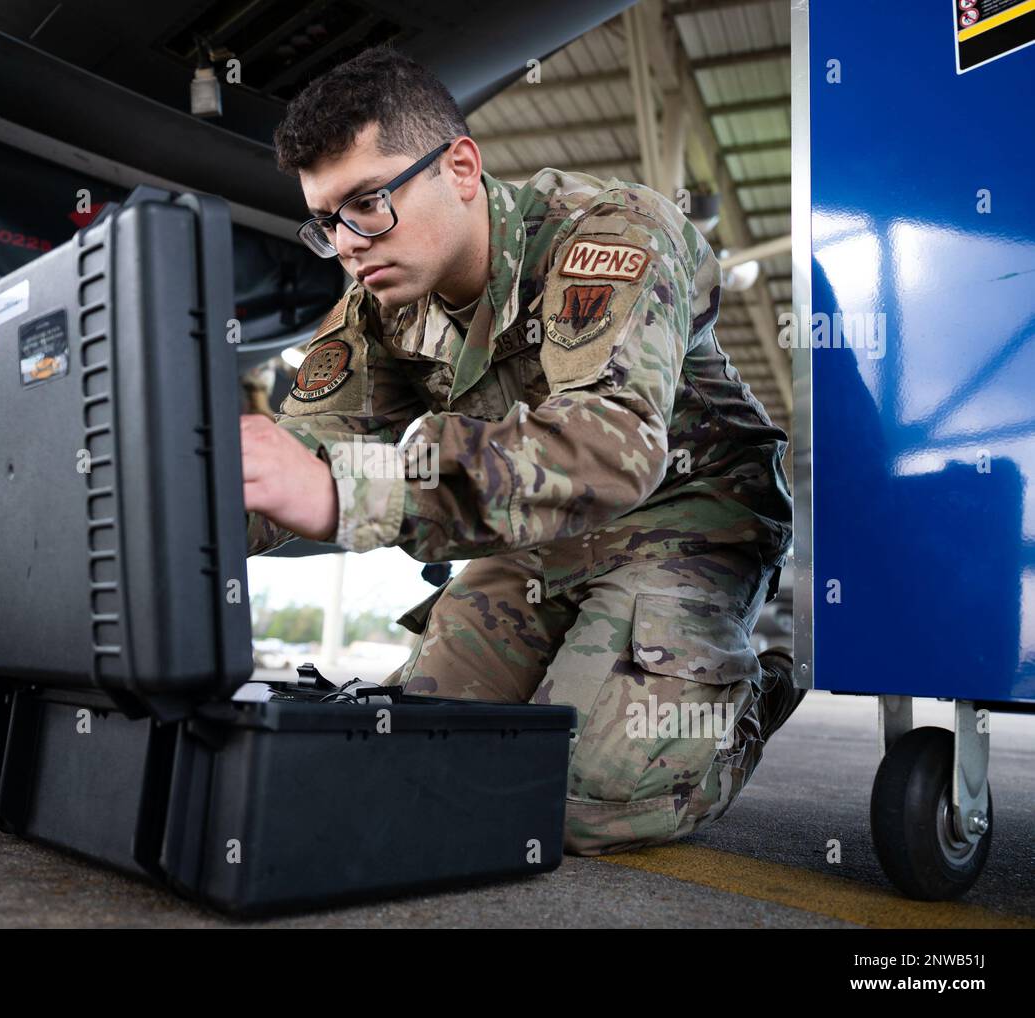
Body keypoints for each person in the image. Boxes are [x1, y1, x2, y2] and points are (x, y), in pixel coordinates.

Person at [241, 44, 800, 854]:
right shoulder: (377, 304)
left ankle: (744, 698)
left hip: (686, 517)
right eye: (328, 221)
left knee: (586, 797)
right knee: (416, 748)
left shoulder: (609, 233)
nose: (350, 242)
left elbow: (610, 448)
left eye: (367, 202)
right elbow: (302, 446)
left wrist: (348, 494)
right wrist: (190, 515)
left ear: (460, 167)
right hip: (540, 541)